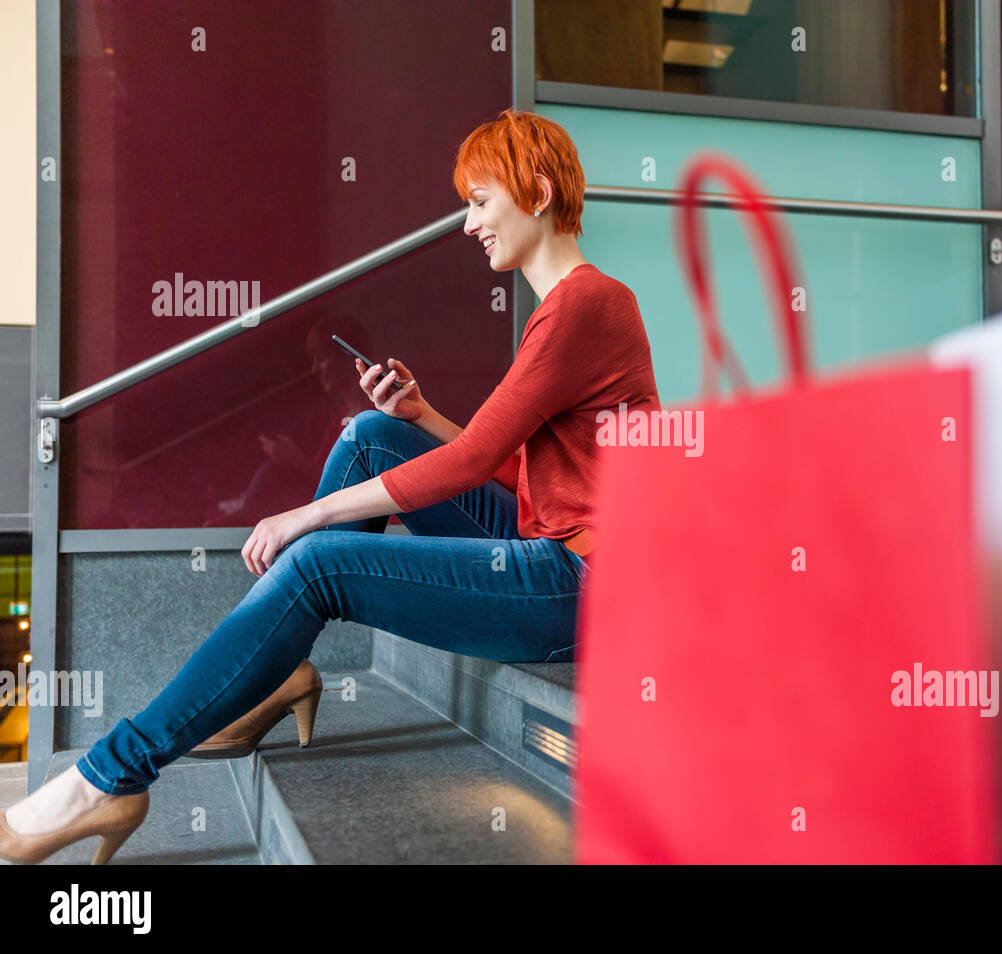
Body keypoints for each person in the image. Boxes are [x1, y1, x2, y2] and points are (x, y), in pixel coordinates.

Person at [0, 108, 661, 864]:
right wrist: (421, 415)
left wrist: (302, 515)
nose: (468, 222)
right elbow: (517, 470)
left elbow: (474, 462)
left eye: (480, 201)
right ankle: (279, 669)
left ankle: (113, 774)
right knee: (370, 435)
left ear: (537, 193)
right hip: (546, 545)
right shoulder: (565, 310)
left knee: (317, 561)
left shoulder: (586, 304)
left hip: (582, 584)